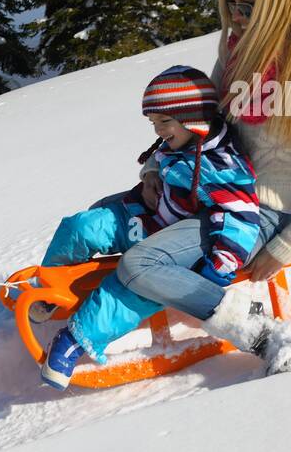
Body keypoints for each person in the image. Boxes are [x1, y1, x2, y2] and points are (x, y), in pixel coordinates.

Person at [121, 0, 291, 374]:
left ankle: (264, 335)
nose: (236, 17)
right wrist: (155, 165)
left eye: (249, 7)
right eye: (232, 4)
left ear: (282, 5)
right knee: (117, 214)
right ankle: (75, 301)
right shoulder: (234, 53)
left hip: (263, 212)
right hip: (213, 187)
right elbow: (200, 122)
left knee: (139, 264)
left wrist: (285, 247)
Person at [34, 66, 260, 388]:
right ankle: (52, 287)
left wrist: (223, 261)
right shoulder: (182, 140)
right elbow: (161, 157)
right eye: (153, 123)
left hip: (173, 248)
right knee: (82, 226)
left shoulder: (221, 166)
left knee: (133, 281)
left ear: (192, 116)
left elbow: (241, 214)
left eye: (163, 122)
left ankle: (74, 340)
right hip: (149, 219)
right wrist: (151, 173)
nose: (157, 131)